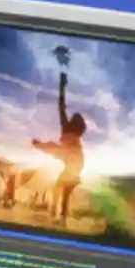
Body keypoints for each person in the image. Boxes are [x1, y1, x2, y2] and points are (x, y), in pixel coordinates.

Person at [32, 72, 86, 224]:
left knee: (59, 186)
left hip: (73, 163)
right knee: (64, 189)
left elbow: (61, 108)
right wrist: (63, 86)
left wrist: (38, 145)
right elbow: (62, 108)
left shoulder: (67, 131)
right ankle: (61, 215)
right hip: (78, 163)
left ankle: (58, 215)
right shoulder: (74, 137)